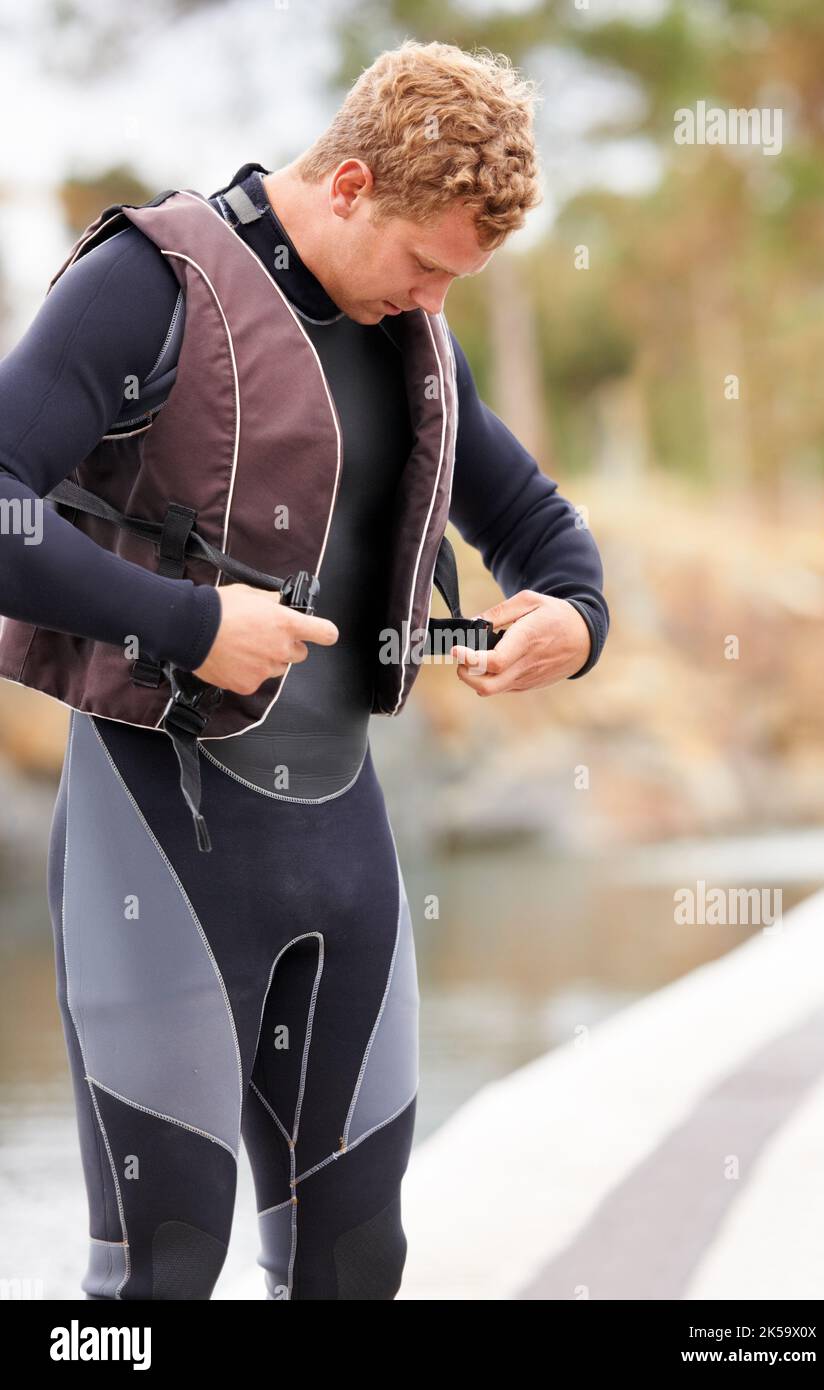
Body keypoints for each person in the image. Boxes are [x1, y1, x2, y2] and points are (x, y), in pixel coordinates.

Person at [0, 39, 609, 1299]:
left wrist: (576, 616)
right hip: (159, 844)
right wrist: (185, 624)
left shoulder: (409, 335)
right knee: (157, 1275)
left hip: (344, 858)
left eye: (459, 278)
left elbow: (537, 527)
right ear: (344, 186)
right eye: (425, 264)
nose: (434, 300)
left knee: (354, 1263)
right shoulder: (146, 282)